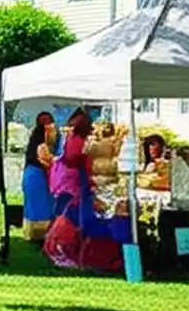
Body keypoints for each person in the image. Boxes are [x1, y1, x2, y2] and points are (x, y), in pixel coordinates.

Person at [44, 108, 124, 272]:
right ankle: (66, 244)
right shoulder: (78, 140)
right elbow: (73, 158)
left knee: (68, 212)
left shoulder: (74, 138)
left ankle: (65, 244)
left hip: (76, 182)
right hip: (76, 181)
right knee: (71, 214)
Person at [21, 112, 57, 241]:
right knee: (41, 205)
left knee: (34, 205)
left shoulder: (35, 138)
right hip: (37, 175)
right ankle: (40, 234)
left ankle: (33, 233)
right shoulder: (42, 141)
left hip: (31, 174)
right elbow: (43, 159)